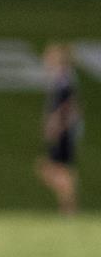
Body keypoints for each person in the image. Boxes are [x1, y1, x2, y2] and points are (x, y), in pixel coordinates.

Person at [36, 43, 81, 215]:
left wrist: (56, 125)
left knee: (57, 169)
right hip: (65, 130)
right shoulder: (60, 79)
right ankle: (68, 208)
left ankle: (69, 209)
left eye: (48, 57)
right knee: (59, 170)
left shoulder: (64, 81)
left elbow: (69, 106)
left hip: (64, 131)